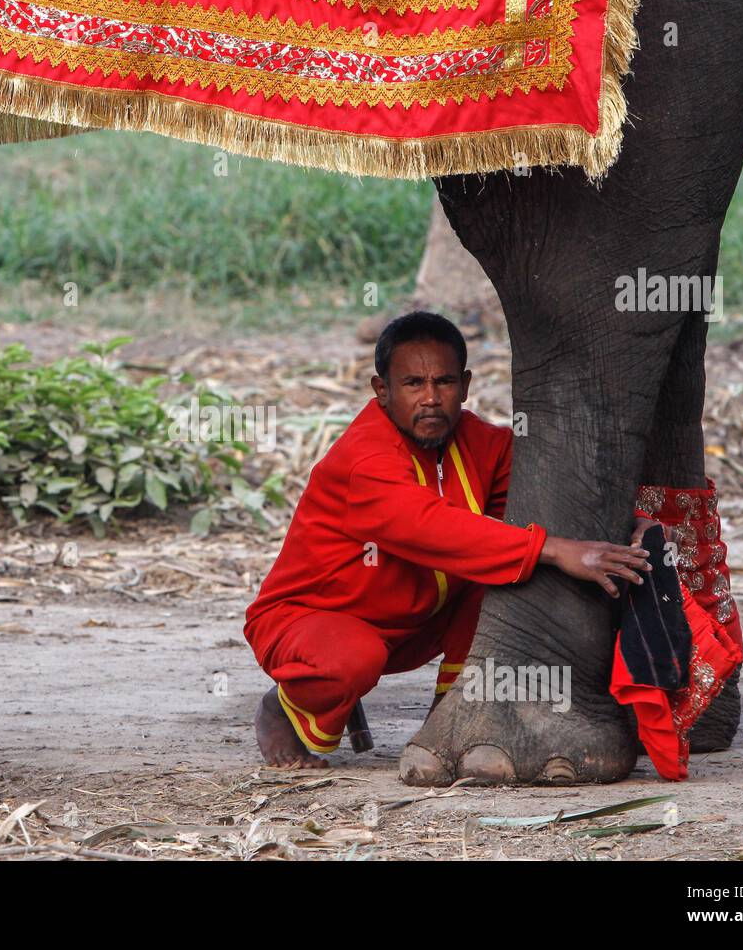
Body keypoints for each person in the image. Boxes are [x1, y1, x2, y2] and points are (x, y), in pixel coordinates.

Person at [245, 311, 662, 768]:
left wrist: (628, 523)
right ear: (381, 391)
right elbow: (429, 526)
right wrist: (557, 549)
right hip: (314, 620)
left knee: (510, 581)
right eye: (412, 384)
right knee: (351, 657)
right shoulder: (363, 459)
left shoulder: (482, 442)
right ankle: (284, 707)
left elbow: (547, 490)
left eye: (443, 382)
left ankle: (454, 715)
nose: (430, 399)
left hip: (415, 617)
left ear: (464, 387)